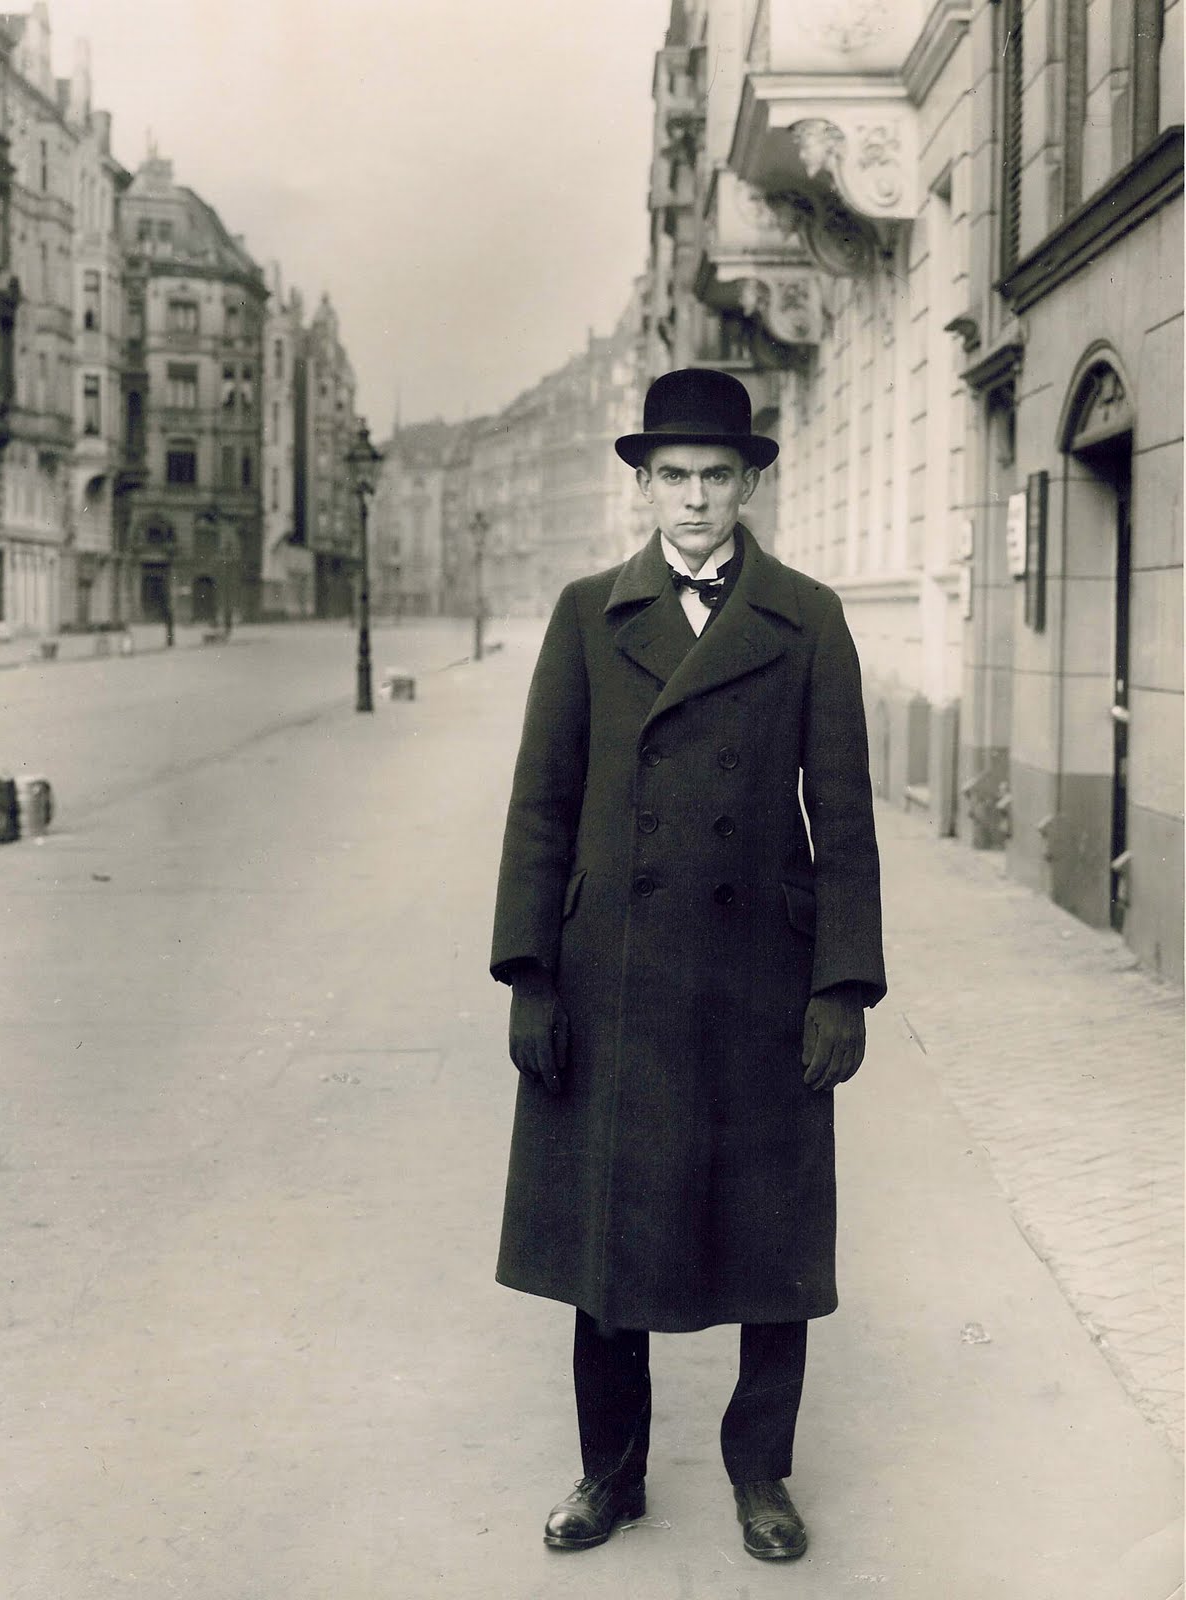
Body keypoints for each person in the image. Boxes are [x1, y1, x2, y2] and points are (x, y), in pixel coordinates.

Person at [490, 367, 886, 1562]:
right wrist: (530, 974)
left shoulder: (809, 615)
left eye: (717, 475)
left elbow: (848, 817)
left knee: (774, 1242)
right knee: (608, 1236)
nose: (696, 499)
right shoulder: (585, 612)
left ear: (751, 480)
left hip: (757, 978)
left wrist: (841, 984)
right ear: (644, 484)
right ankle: (610, 1473)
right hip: (614, 971)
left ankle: (760, 1473)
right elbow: (541, 804)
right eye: (674, 476)